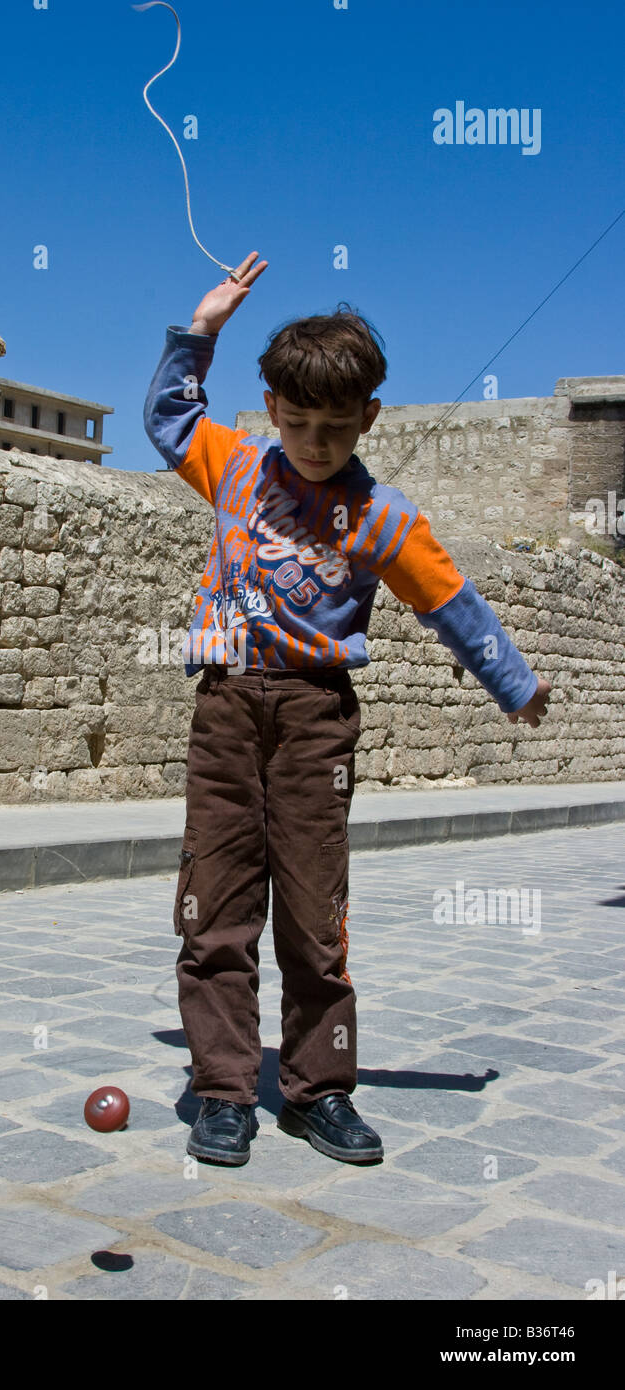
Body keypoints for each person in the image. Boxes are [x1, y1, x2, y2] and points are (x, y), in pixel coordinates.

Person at [142, 251, 551, 1167]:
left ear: (370, 416)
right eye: (298, 423)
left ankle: (318, 1091)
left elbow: (451, 602)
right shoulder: (237, 464)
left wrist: (515, 685)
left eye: (335, 427)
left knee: (315, 918)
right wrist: (201, 328)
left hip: (316, 715)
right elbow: (169, 418)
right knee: (215, 908)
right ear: (271, 408)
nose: (315, 444)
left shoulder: (381, 517)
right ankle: (220, 1090)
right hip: (226, 708)